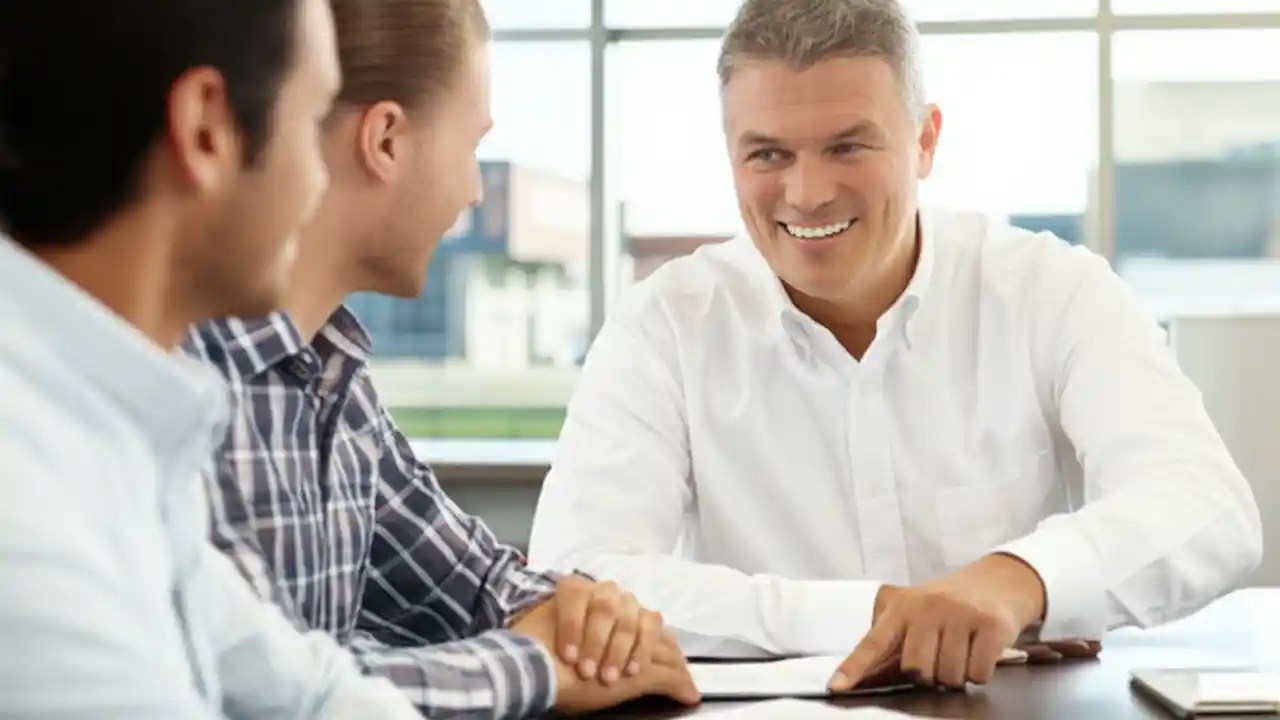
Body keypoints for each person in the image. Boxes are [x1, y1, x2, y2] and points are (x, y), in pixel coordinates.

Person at [527, 0, 1263, 693]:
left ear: (925, 140)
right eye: (768, 155)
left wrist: (1017, 581)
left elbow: (1206, 507)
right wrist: (886, 612)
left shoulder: (1050, 288)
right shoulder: (663, 325)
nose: (807, 192)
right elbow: (579, 580)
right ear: (730, 154)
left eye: (848, 146)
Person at [184, 0, 699, 716]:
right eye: (472, 146)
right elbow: (272, 688)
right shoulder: (184, 380)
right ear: (386, 140)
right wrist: (537, 664)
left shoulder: (333, 379)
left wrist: (587, 625)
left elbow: (481, 585)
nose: (471, 189)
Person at [0, 0, 421, 718]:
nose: (321, 182)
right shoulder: (26, 510)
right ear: (205, 131)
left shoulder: (121, 430)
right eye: (310, 118)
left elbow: (310, 690)